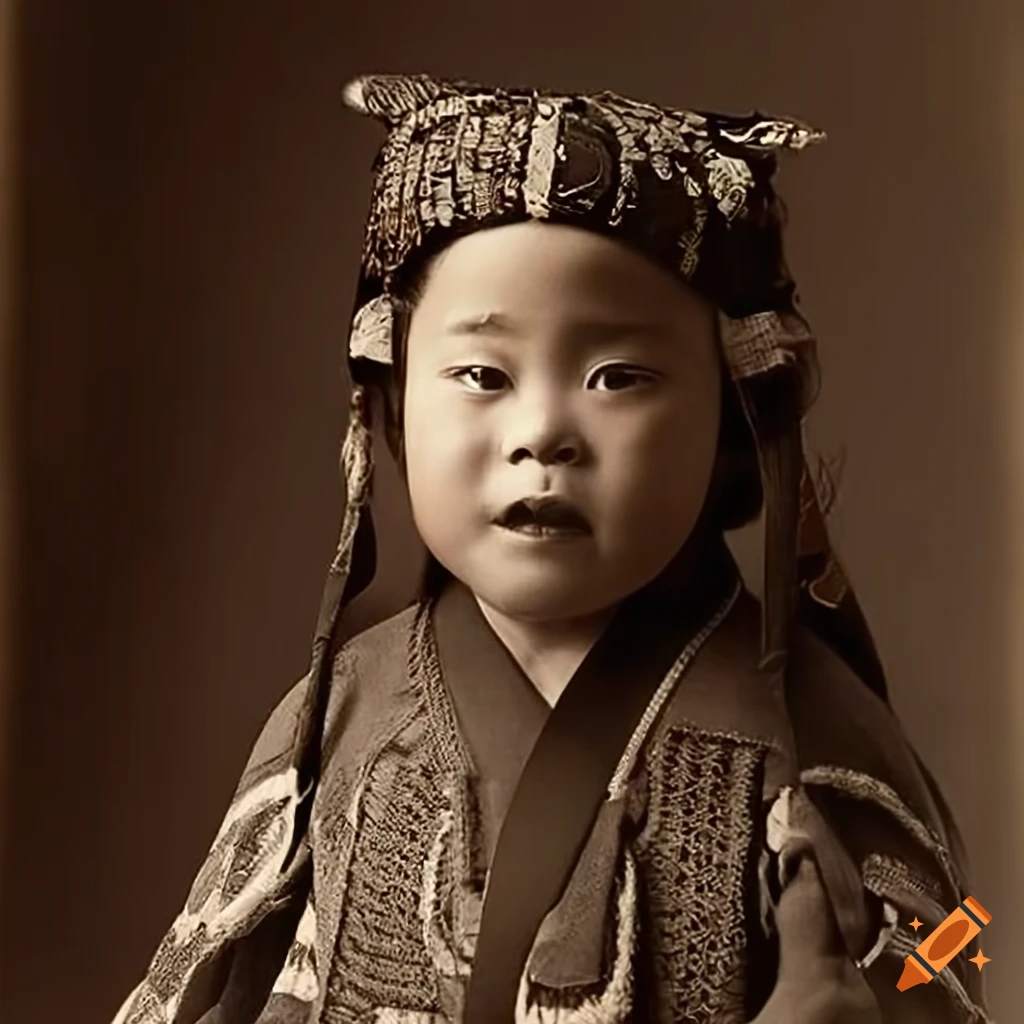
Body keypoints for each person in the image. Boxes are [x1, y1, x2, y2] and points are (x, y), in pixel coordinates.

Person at [112, 74, 992, 1024]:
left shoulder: (806, 728)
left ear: (734, 411)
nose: (543, 432)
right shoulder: (342, 712)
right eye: (482, 373)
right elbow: (217, 980)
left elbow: (964, 935)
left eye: (617, 376)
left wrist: (865, 993)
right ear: (392, 397)